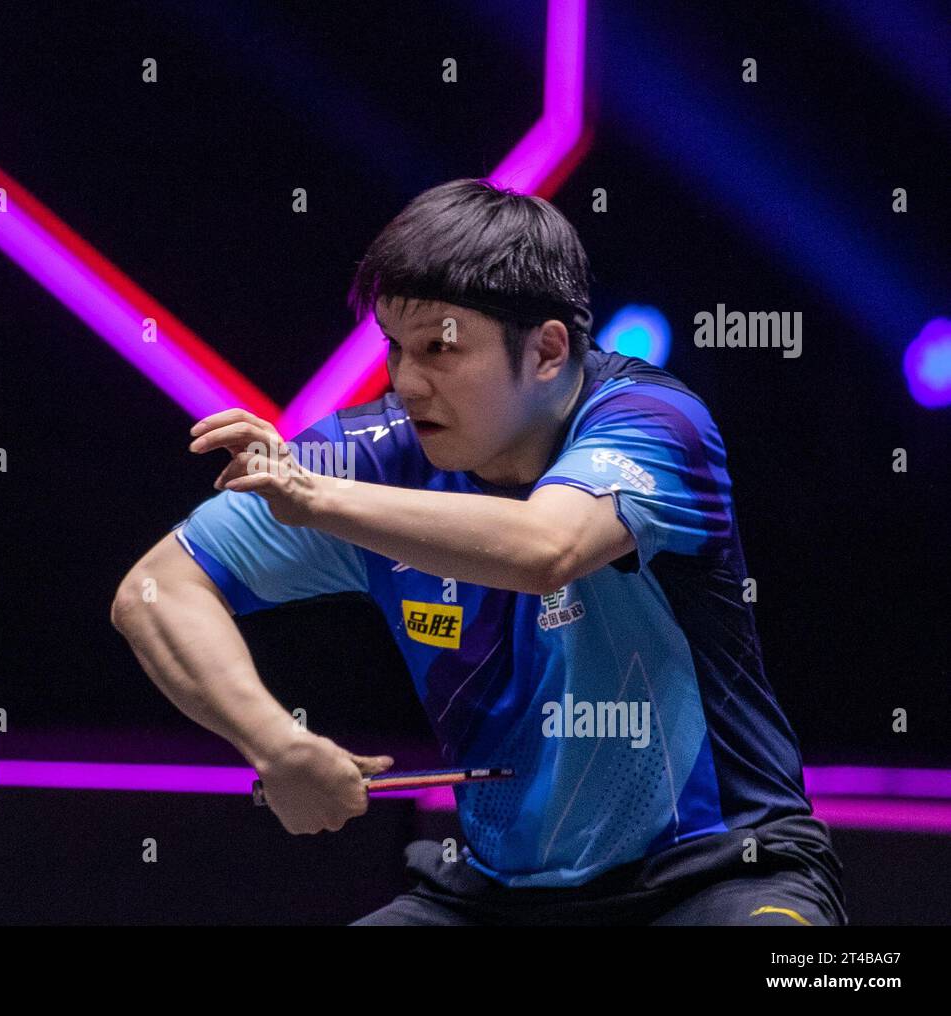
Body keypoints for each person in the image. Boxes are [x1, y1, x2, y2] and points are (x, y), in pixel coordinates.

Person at [110, 179, 846, 926]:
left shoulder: (653, 422)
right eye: (396, 348)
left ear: (549, 349)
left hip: (717, 875)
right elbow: (156, 590)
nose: (405, 382)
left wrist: (314, 498)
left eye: (440, 348)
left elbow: (546, 548)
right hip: (498, 899)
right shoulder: (368, 459)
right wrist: (274, 742)